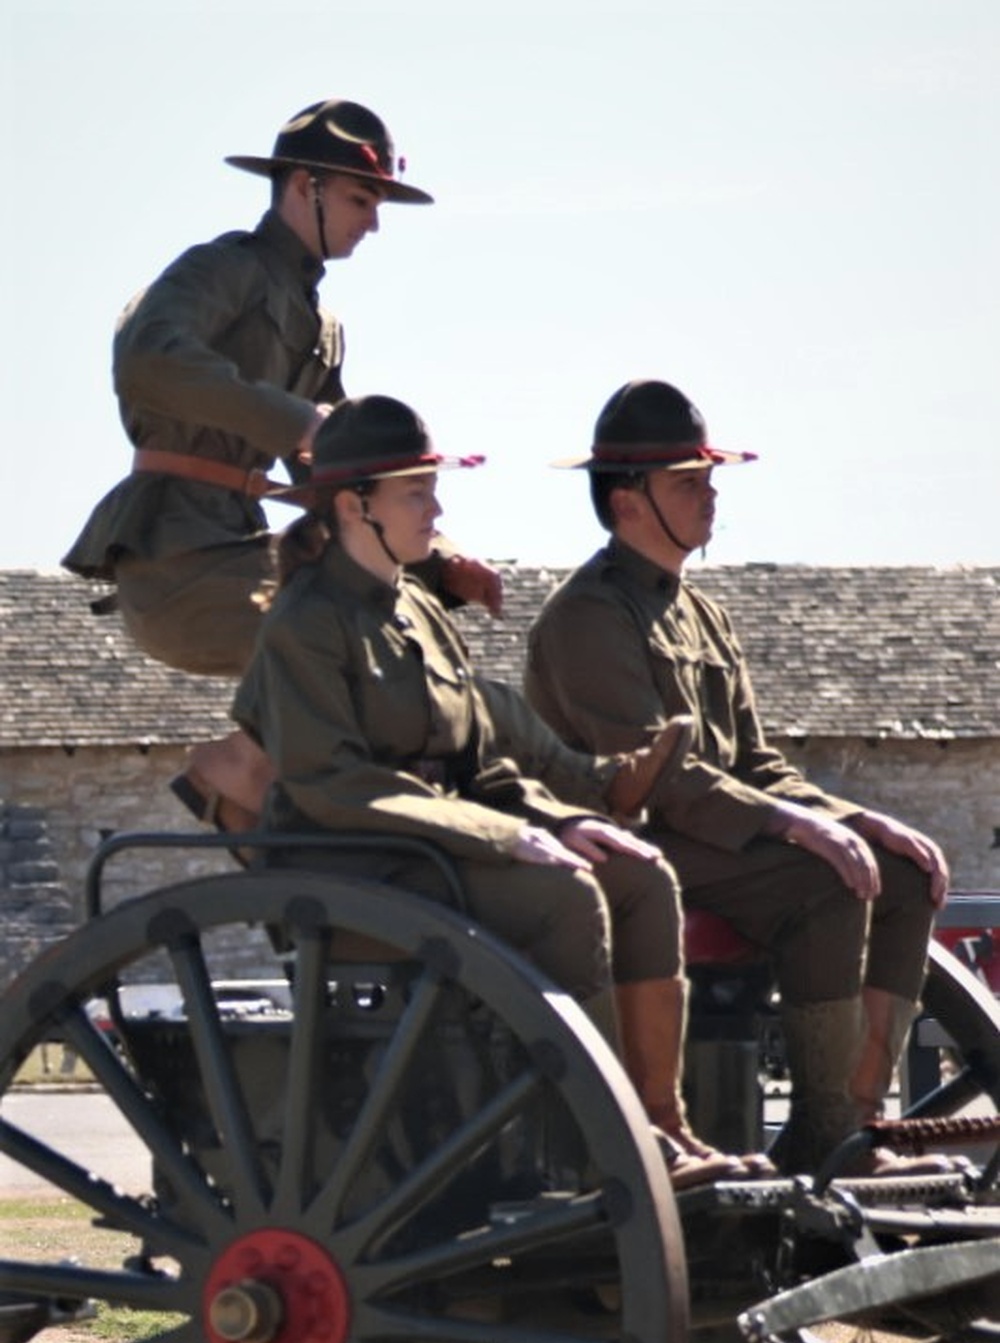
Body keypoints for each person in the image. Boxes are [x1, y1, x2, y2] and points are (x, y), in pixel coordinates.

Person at [60, 97, 676, 836]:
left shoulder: (320, 325)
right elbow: (149, 359)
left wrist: (441, 558)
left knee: (415, 618)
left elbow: (351, 475)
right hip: (176, 559)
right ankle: (261, 772)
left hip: (230, 545)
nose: (374, 222)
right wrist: (297, 421)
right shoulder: (222, 269)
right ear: (304, 187)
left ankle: (330, 787)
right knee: (376, 630)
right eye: (361, 199)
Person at [231, 392, 768, 1189]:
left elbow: (480, 764)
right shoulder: (305, 624)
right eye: (417, 492)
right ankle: (605, 1144)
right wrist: (501, 835)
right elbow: (333, 784)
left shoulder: (418, 607)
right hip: (355, 863)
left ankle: (661, 1120)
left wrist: (561, 820)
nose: (436, 508)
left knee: (640, 873)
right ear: (353, 506)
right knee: (564, 897)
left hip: (432, 848)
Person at [524, 378, 955, 1176]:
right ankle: (826, 1133)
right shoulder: (587, 616)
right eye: (688, 482)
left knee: (901, 872)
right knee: (823, 882)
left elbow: (756, 762)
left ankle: (862, 1125)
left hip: (719, 846)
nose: (710, 495)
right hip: (635, 848)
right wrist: (795, 827)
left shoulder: (703, 613)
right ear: (627, 502)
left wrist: (855, 819)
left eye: (709, 478)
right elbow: (654, 776)